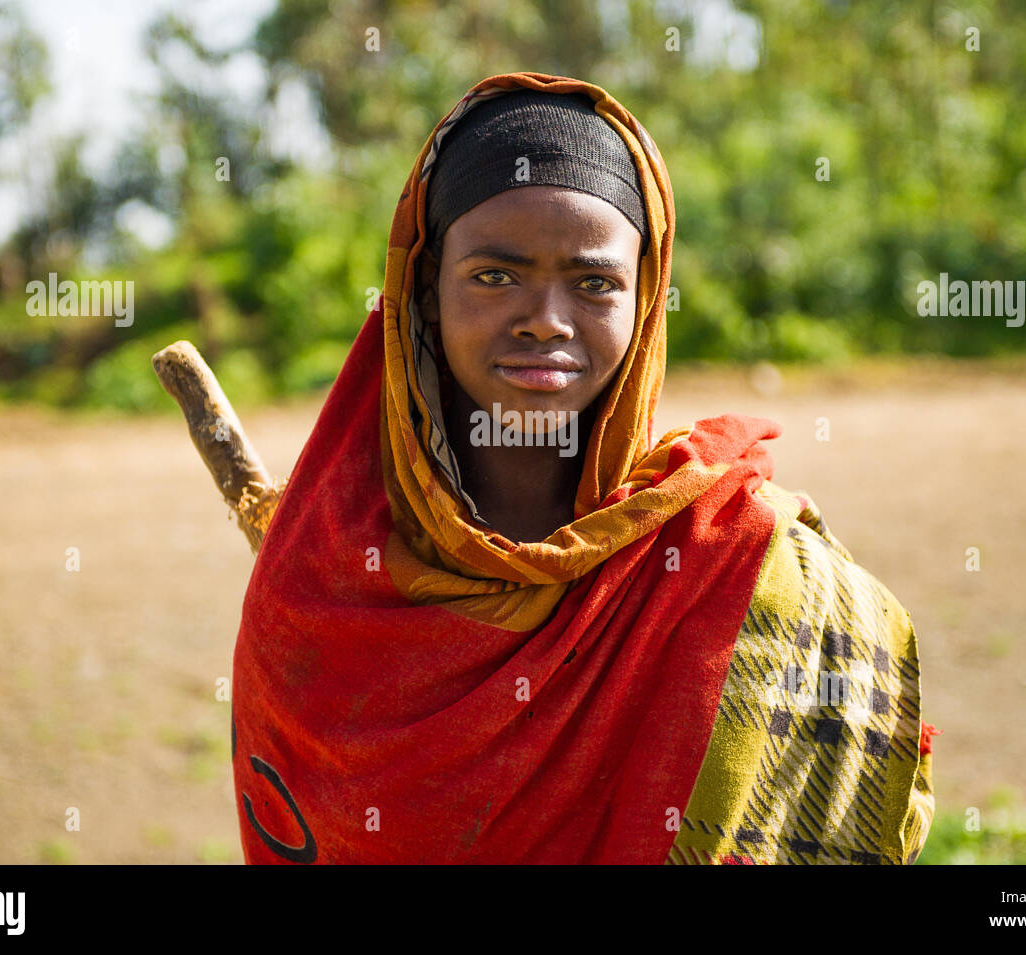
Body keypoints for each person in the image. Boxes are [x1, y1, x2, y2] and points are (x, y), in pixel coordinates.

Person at [231, 71, 937, 864]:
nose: (545, 320)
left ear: (645, 299)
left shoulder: (742, 569)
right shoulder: (322, 584)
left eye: (594, 282)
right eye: (495, 276)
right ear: (426, 291)